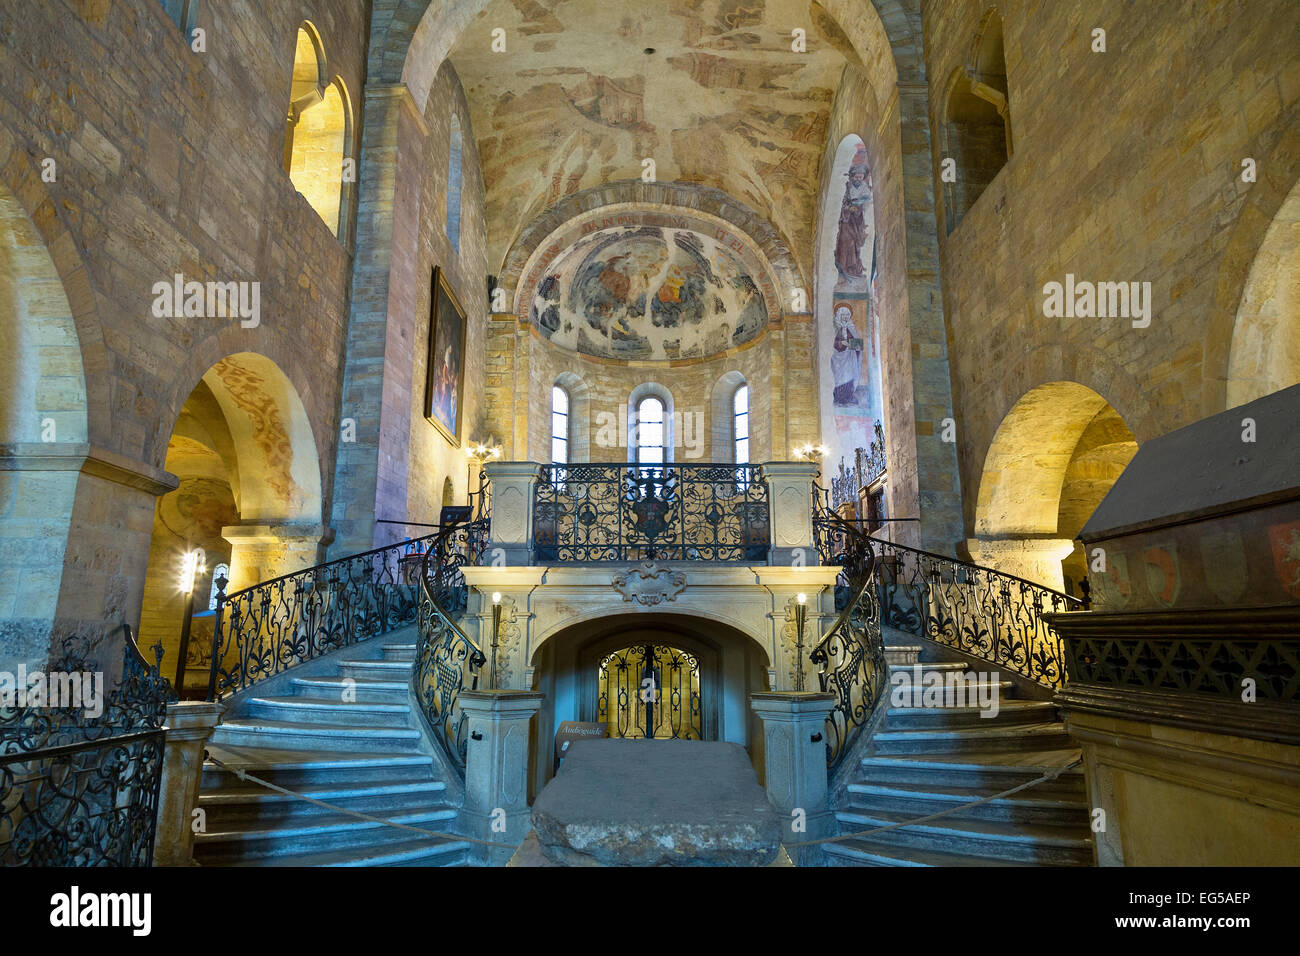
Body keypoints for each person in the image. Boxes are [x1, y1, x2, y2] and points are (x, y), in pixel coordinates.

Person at [835, 165, 870, 280]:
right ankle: (844, 266)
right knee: (846, 241)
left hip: (857, 220)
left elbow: (867, 201)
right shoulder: (847, 186)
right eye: (857, 177)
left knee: (855, 243)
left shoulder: (864, 187)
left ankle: (853, 267)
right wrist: (848, 208)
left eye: (861, 177)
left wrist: (859, 207)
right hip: (847, 220)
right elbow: (842, 202)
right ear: (852, 177)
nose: (859, 179)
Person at [831, 305, 863, 405]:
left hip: (849, 357)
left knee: (849, 375)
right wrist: (840, 343)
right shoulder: (834, 326)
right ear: (839, 315)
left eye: (847, 315)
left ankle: (848, 396)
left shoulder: (851, 326)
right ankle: (837, 397)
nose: (845, 317)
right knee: (838, 377)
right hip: (837, 358)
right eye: (843, 315)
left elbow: (858, 344)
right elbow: (830, 342)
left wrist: (851, 344)